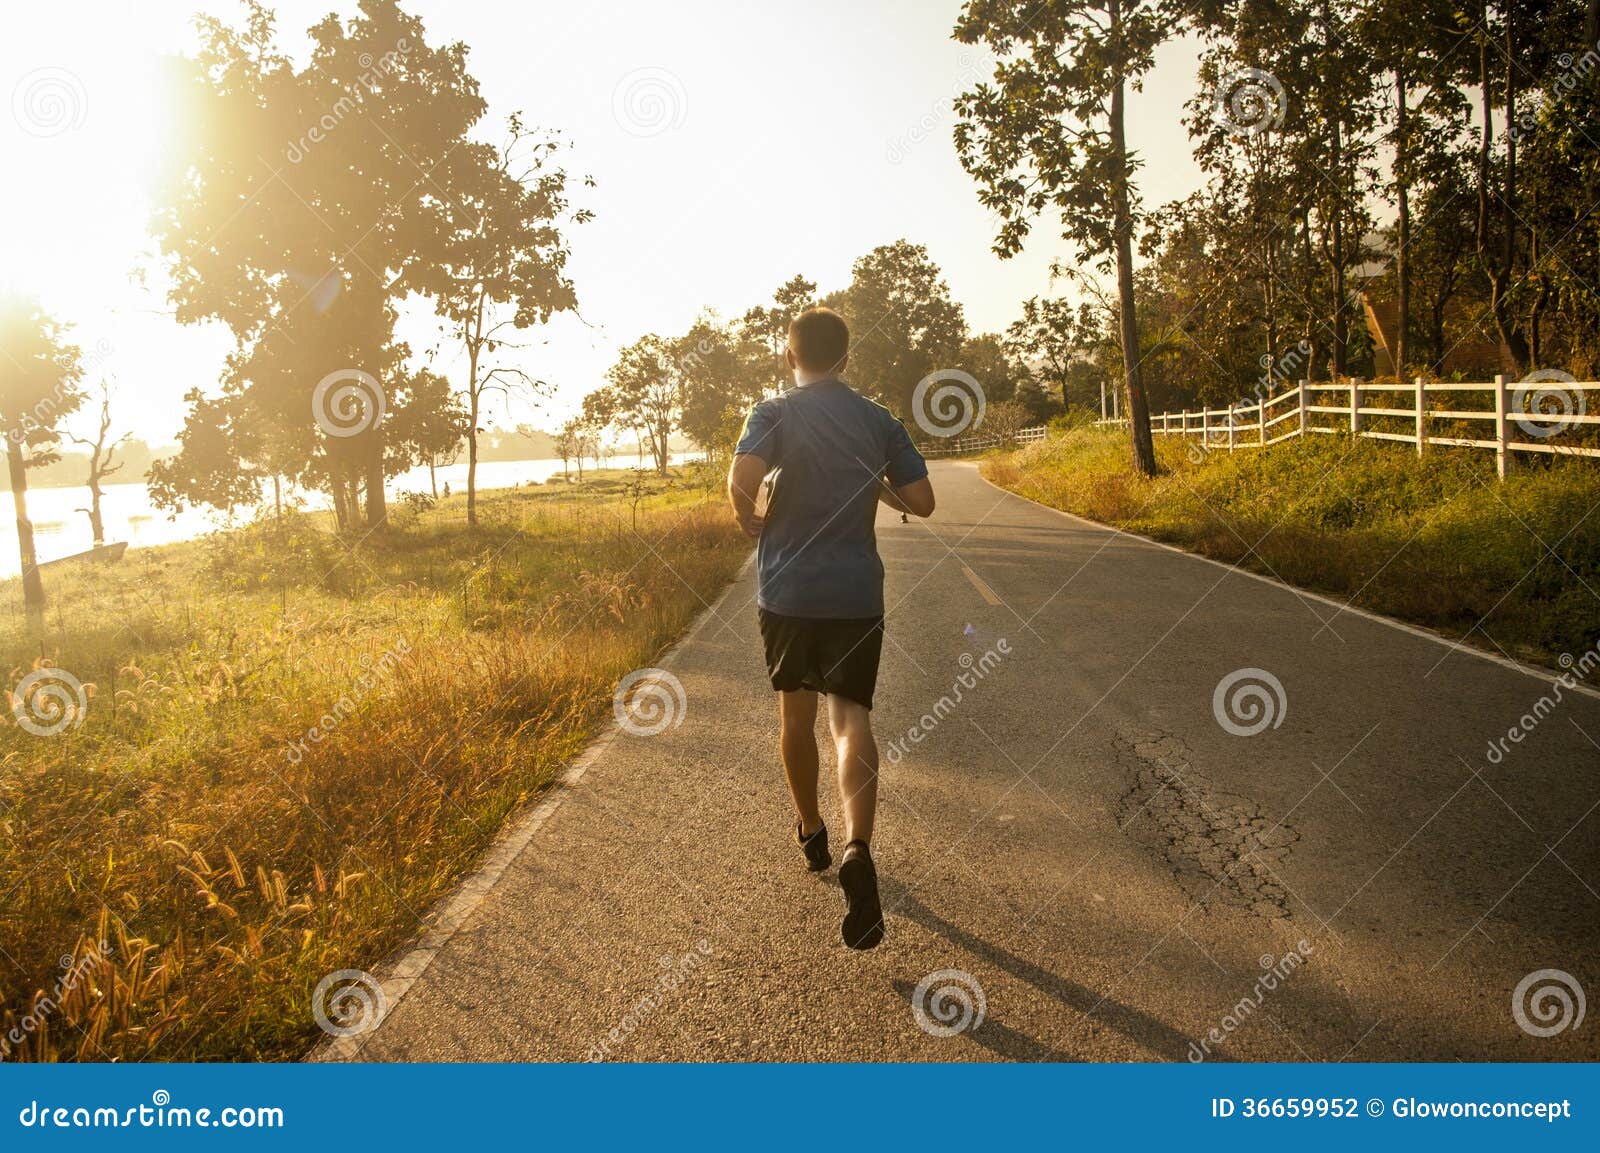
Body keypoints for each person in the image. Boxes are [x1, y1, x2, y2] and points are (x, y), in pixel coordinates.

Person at [726, 307, 936, 950]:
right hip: (854, 595)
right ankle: (857, 847)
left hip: (787, 593)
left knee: (796, 719)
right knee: (851, 721)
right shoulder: (877, 420)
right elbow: (922, 502)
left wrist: (746, 516)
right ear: (845, 360)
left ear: (791, 358)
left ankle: (811, 832)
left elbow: (742, 478)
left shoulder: (774, 410)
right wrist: (872, 485)